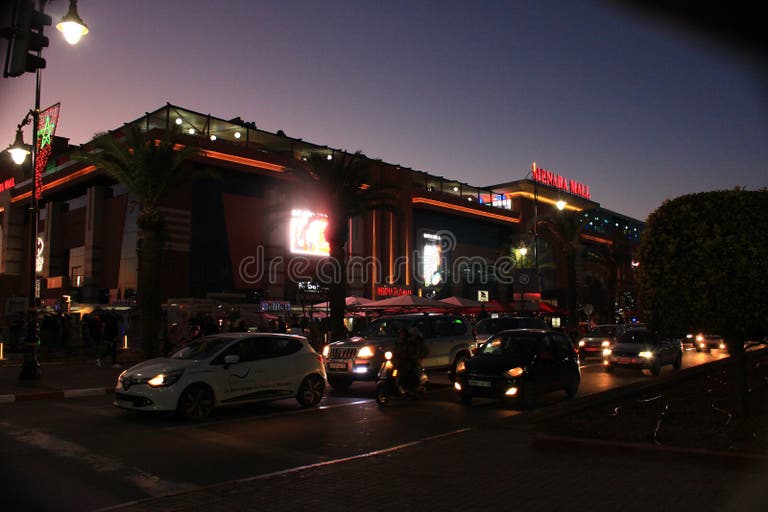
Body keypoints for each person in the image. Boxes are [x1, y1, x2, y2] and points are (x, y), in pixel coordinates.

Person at [394, 326, 428, 392]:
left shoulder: (416, 343)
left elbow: (424, 351)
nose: (401, 335)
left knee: (411, 371)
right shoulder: (400, 342)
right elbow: (396, 350)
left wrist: (417, 357)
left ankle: (412, 388)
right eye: (400, 333)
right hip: (402, 360)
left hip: (411, 361)